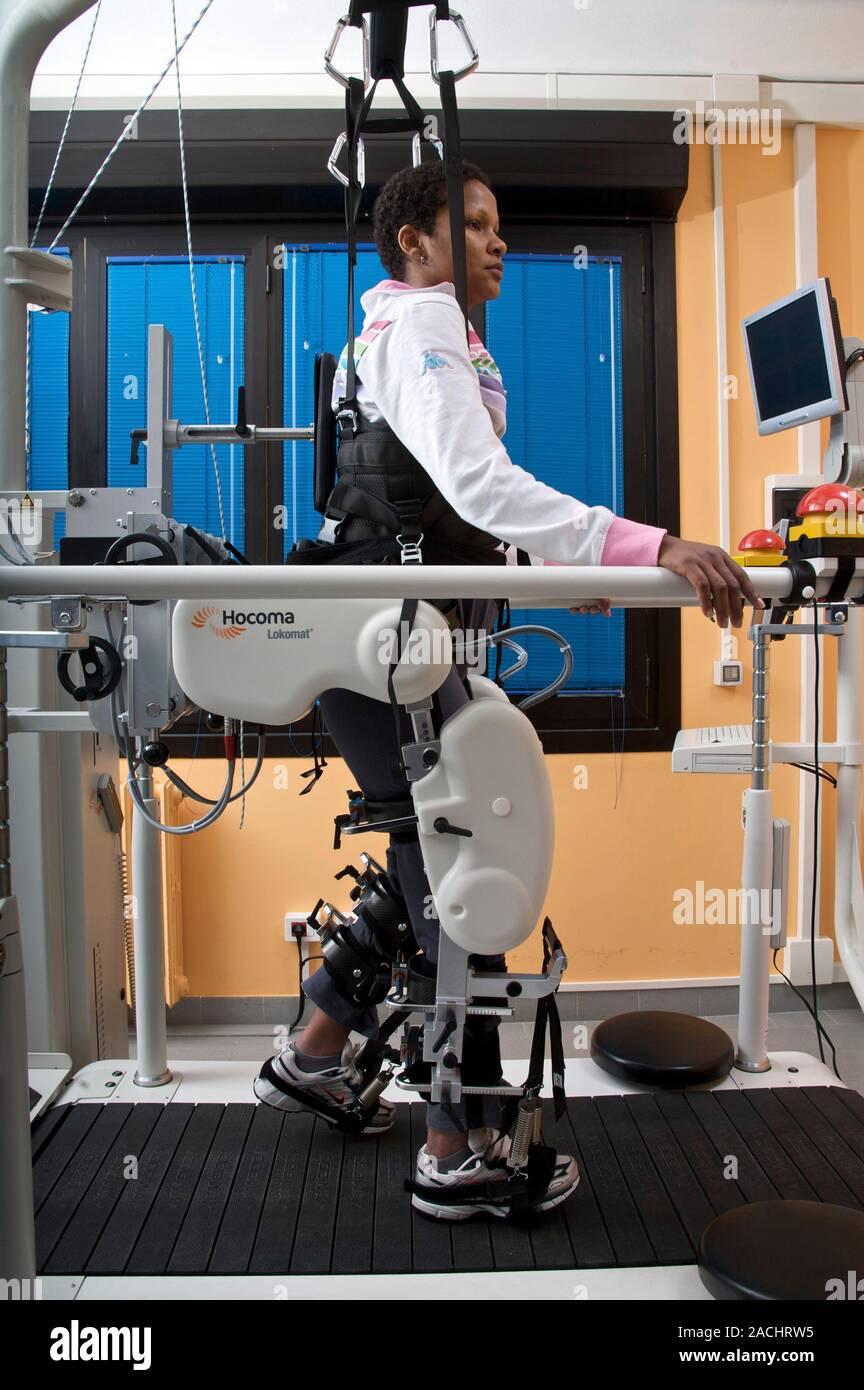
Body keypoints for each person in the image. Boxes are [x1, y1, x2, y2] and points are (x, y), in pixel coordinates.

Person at [255, 159, 766, 1221]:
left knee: (434, 856)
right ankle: (459, 1142)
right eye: (474, 225)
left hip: (393, 636)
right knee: (471, 867)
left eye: (497, 225)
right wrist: (650, 544)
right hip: (385, 639)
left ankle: (317, 1052)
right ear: (415, 241)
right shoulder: (422, 324)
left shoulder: (421, 331)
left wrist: (558, 567)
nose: (496, 242)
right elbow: (481, 483)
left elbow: (449, 503)